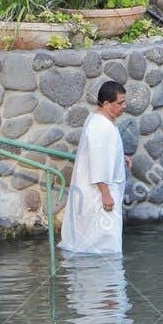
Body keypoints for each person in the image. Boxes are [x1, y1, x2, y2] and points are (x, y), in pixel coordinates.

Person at [61, 80, 130, 255]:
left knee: (100, 237)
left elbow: (103, 151)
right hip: (100, 194)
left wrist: (119, 157)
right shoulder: (100, 126)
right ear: (106, 104)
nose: (124, 106)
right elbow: (97, 162)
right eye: (120, 103)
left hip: (103, 190)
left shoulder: (98, 119)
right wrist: (105, 194)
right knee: (104, 241)